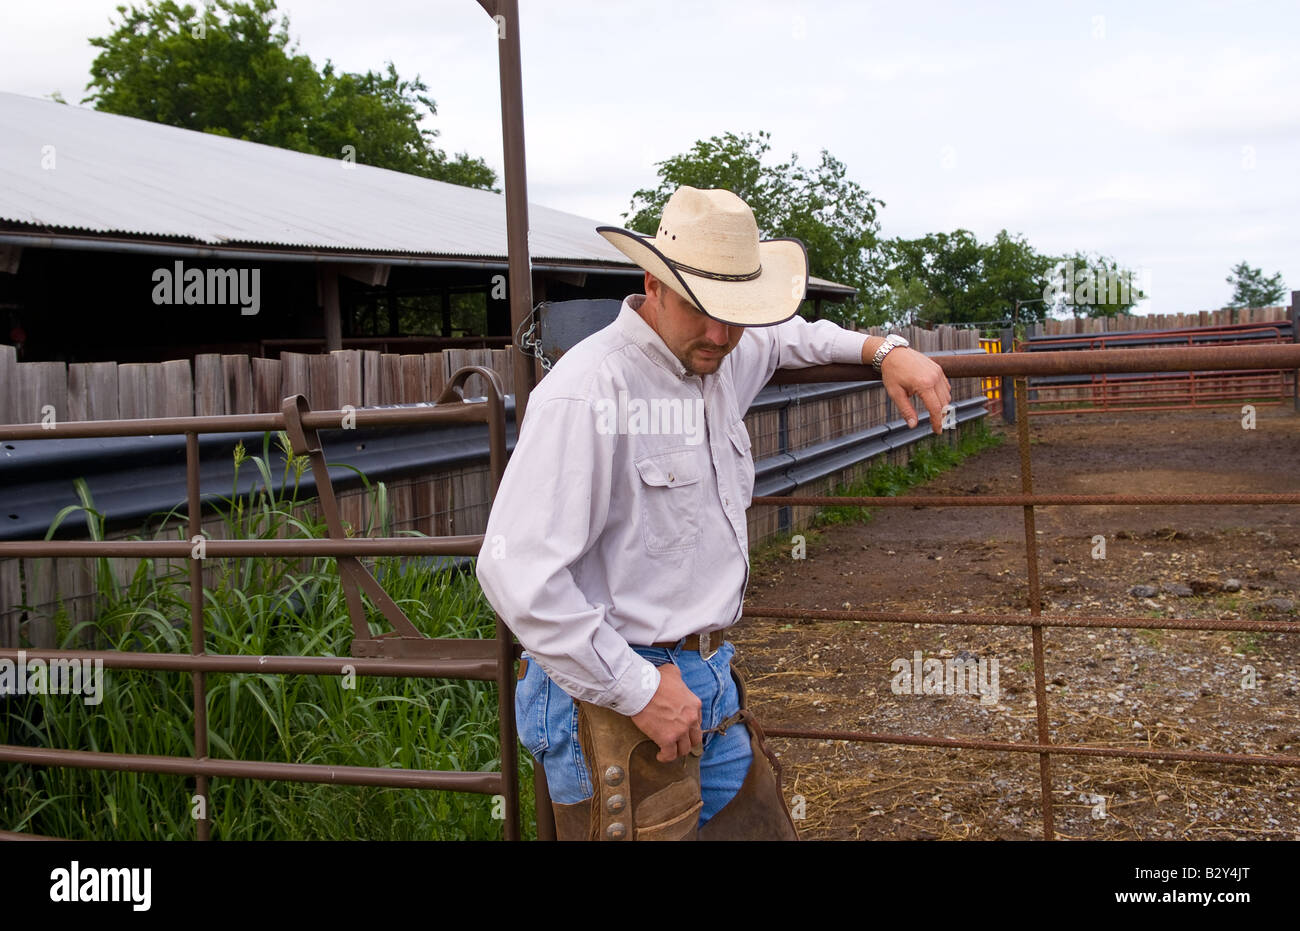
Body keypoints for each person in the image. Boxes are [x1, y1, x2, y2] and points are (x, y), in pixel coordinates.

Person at [476, 186, 951, 840]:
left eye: (736, 313)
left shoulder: (722, 355)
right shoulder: (589, 391)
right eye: (704, 310)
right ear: (654, 285)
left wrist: (883, 350)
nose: (722, 334)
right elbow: (516, 573)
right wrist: (640, 689)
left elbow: (791, 338)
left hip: (708, 676)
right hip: (609, 686)